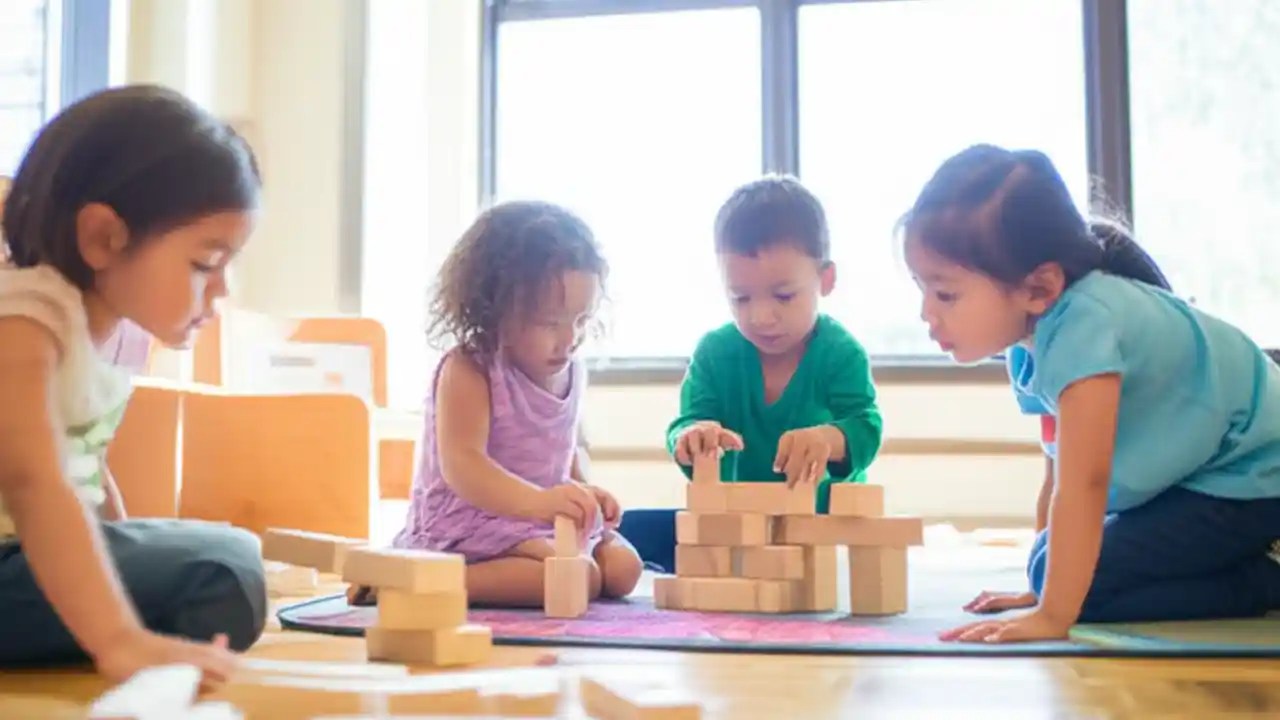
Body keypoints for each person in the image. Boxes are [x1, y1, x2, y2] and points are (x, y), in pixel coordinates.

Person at [899, 144, 1280, 643]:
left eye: (945, 294)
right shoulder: (1032, 342)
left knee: (1089, 593)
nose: (927, 313)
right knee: (1049, 564)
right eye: (921, 289)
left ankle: (1268, 579)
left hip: (1255, 475)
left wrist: (1054, 614)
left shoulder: (1086, 325)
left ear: (1038, 288)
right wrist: (1041, 588)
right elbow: (1058, 467)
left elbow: (1086, 484)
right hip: (1207, 476)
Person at [0, 85, 266, 686]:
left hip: (27, 561)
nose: (220, 291)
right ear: (103, 238)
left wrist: (122, 544)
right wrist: (118, 638)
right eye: (204, 264)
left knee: (231, 553)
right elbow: (33, 480)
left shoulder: (119, 329)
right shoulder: (27, 318)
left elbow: (85, 468)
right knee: (219, 572)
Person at [350, 201, 642, 607]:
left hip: (537, 521)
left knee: (625, 570)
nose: (569, 338)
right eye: (550, 323)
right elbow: (464, 467)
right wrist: (538, 503)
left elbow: (563, 451)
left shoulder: (572, 368)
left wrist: (584, 493)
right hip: (472, 522)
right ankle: (415, 580)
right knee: (576, 578)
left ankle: (448, 578)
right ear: (496, 308)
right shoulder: (471, 370)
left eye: (581, 320)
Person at [666, 175, 883, 513]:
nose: (761, 317)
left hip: (825, 522)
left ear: (825, 280)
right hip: (739, 522)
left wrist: (828, 438)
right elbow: (689, 421)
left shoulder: (841, 353)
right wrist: (692, 436)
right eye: (740, 298)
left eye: (784, 296)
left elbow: (866, 428)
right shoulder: (714, 354)